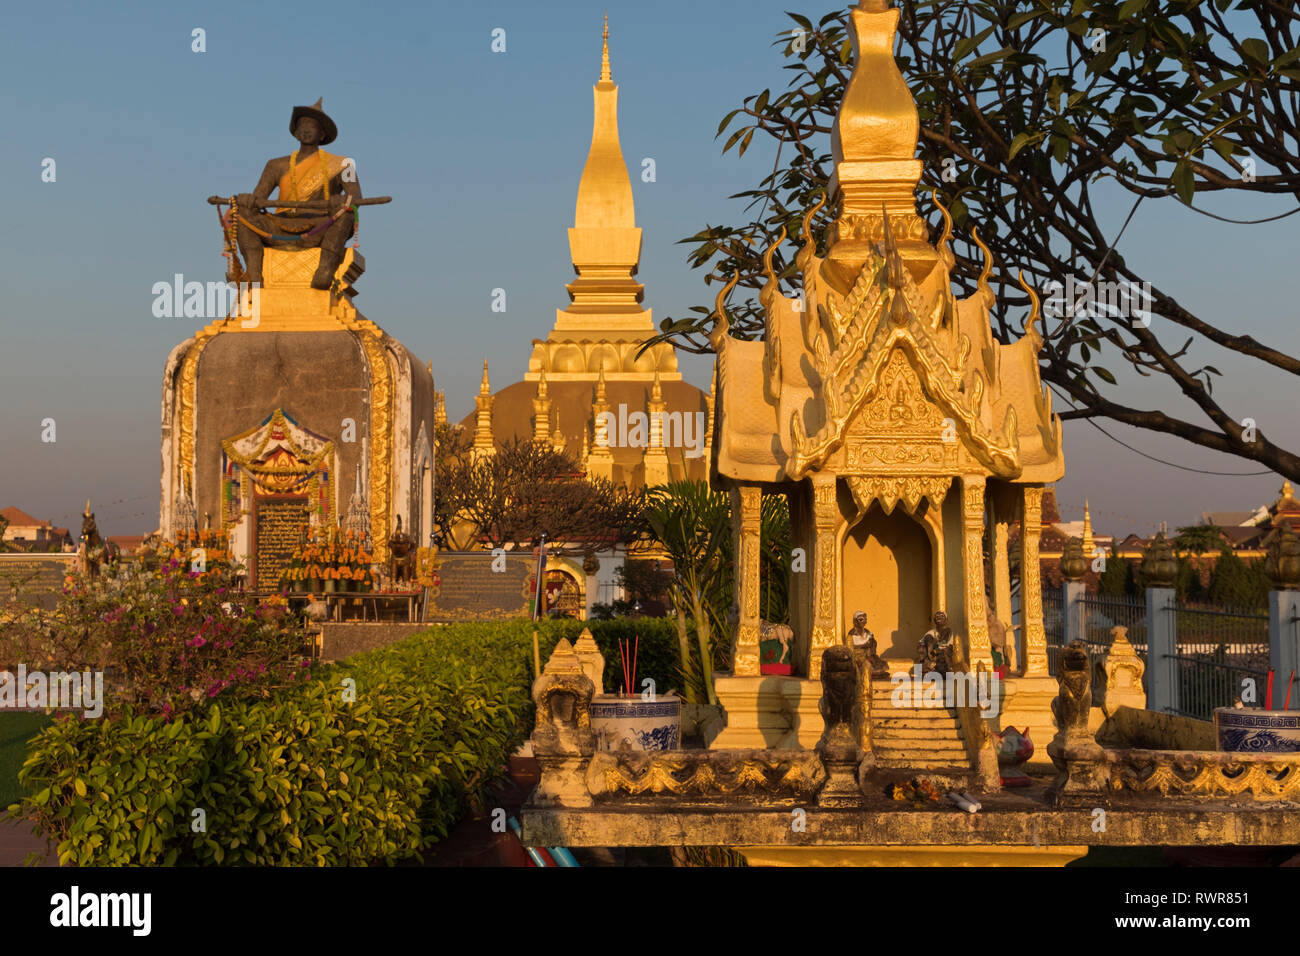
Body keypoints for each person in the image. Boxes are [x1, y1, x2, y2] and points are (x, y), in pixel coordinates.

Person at [234, 100, 362, 290]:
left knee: (346, 214)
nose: (306, 130)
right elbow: (258, 199)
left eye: (312, 126)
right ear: (295, 132)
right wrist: (248, 201)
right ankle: (253, 273)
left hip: (320, 226)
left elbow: (356, 198)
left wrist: (342, 201)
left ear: (322, 134)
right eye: (302, 126)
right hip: (280, 226)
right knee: (242, 214)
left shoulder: (344, 164)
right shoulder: (275, 165)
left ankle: (325, 270)